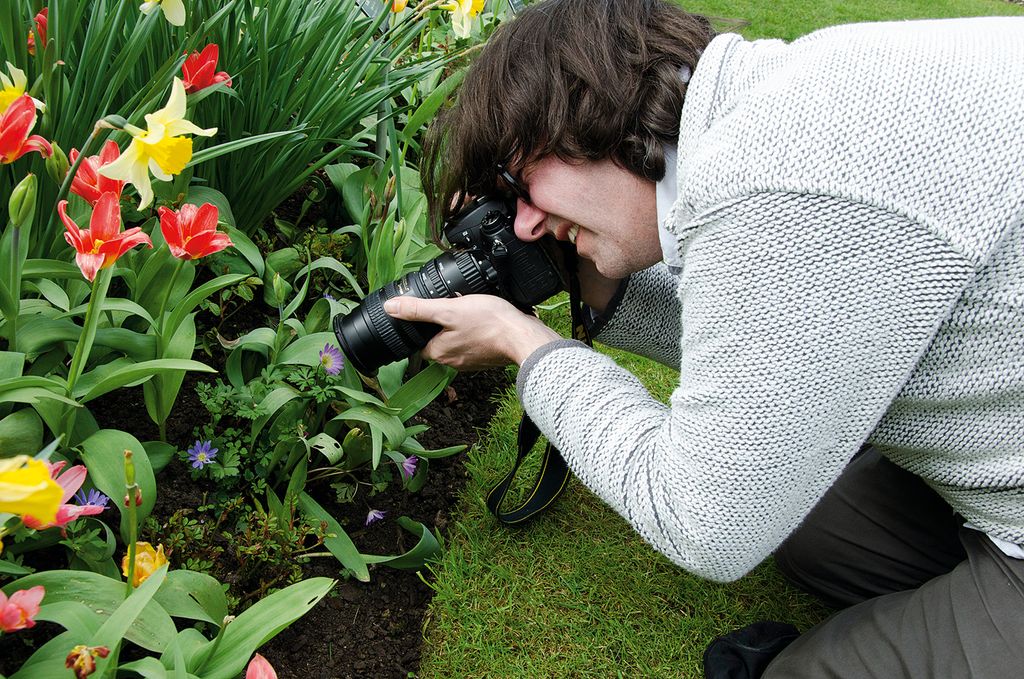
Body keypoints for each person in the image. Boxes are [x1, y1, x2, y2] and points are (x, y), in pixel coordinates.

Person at [382, 1, 1024, 676]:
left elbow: (708, 522)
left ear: (587, 119)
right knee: (813, 533)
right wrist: (598, 289)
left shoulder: (777, 189)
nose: (526, 227)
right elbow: (766, 335)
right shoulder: (762, 114)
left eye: (521, 187)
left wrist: (527, 347)